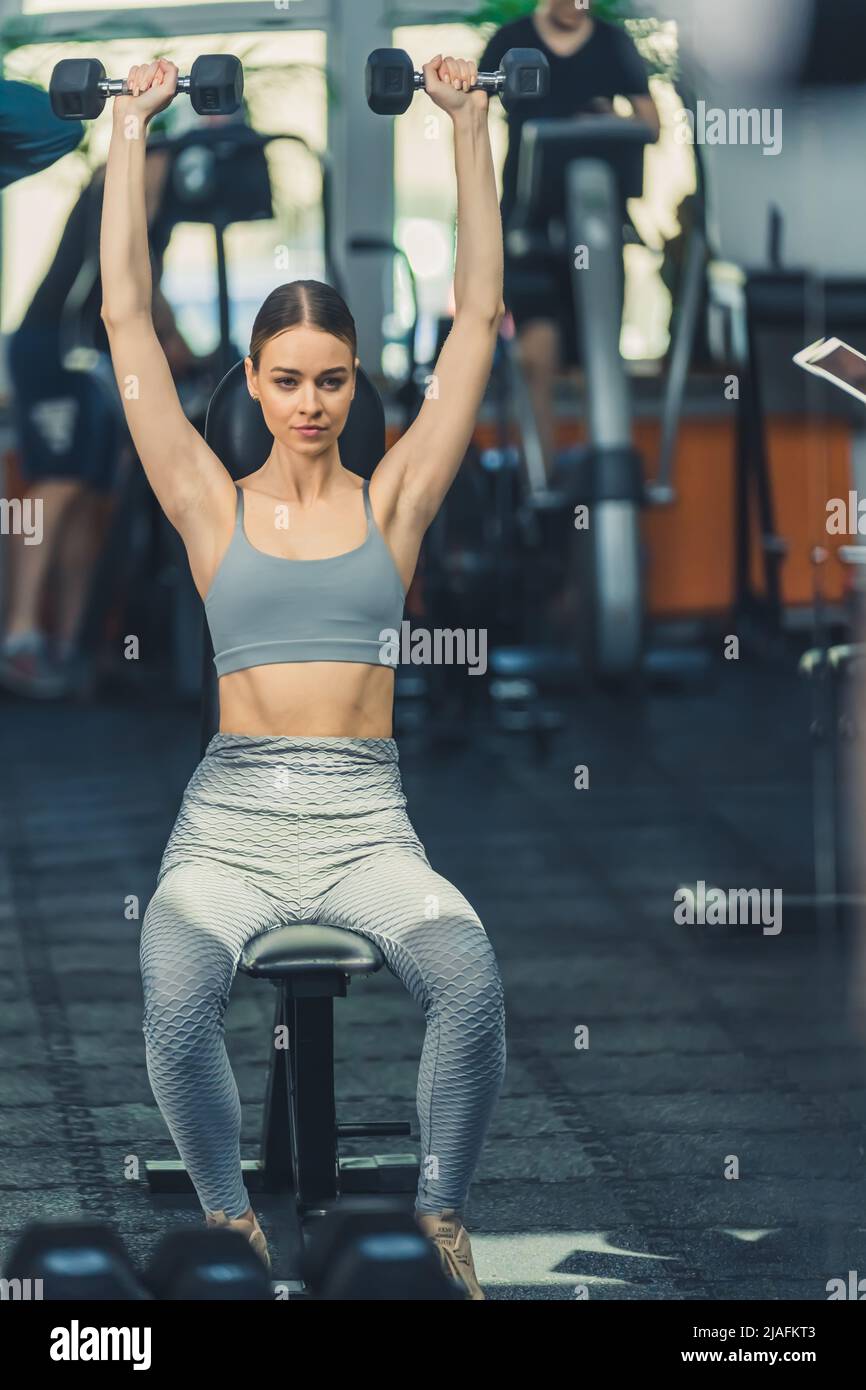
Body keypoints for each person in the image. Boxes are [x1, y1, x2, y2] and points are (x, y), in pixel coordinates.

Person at [100, 56, 508, 1299]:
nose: (311, 402)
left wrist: (468, 127)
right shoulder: (205, 507)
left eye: (332, 378)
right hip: (227, 824)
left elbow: (478, 313)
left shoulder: (397, 503)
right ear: (256, 386)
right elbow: (126, 317)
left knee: (471, 981)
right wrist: (128, 129)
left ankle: (437, 1217)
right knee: (173, 1006)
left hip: (362, 821)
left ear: (352, 383)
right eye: (287, 379)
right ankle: (233, 1226)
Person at [0, 138, 205, 699]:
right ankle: (19, 640)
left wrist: (175, 340)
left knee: (92, 497)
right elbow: (134, 285)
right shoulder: (113, 195)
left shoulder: (154, 215)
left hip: (95, 361)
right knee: (59, 484)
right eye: (156, 162)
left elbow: (145, 283)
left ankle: (70, 648)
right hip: (53, 349)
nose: (163, 177)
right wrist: (173, 337)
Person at [479, 0, 660, 482]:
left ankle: (596, 484)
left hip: (598, 232)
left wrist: (599, 122)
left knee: (597, 362)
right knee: (537, 355)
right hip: (528, 230)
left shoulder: (612, 46)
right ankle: (545, 485)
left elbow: (651, 123)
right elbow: (474, 108)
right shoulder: (510, 41)